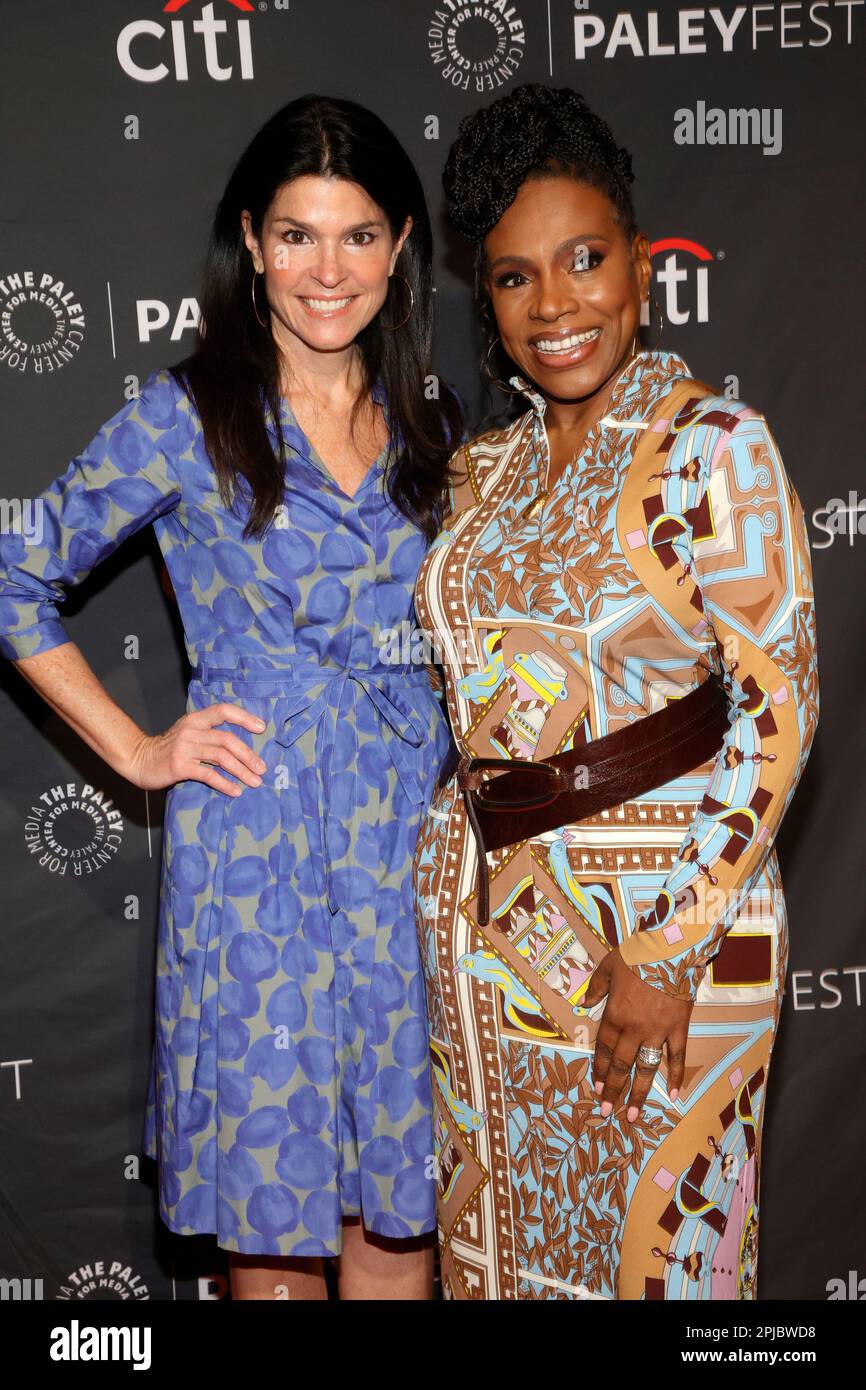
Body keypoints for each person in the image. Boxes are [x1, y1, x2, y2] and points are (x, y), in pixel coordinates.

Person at [0, 94, 462, 1301]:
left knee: (400, 1226)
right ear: (250, 241)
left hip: (408, 856)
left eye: (358, 235)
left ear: (401, 245)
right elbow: (15, 574)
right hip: (258, 858)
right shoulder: (183, 416)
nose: (328, 269)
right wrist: (138, 750)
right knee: (273, 1231)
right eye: (297, 234)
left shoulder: (431, 423)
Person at [412, 83, 819, 1301]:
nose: (555, 305)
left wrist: (666, 946)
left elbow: (778, 711)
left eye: (583, 258)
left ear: (640, 263)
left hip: (663, 935)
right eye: (513, 277)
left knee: (660, 1271)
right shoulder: (479, 474)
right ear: (484, 301)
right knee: (511, 1268)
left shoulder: (712, 446)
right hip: (490, 945)